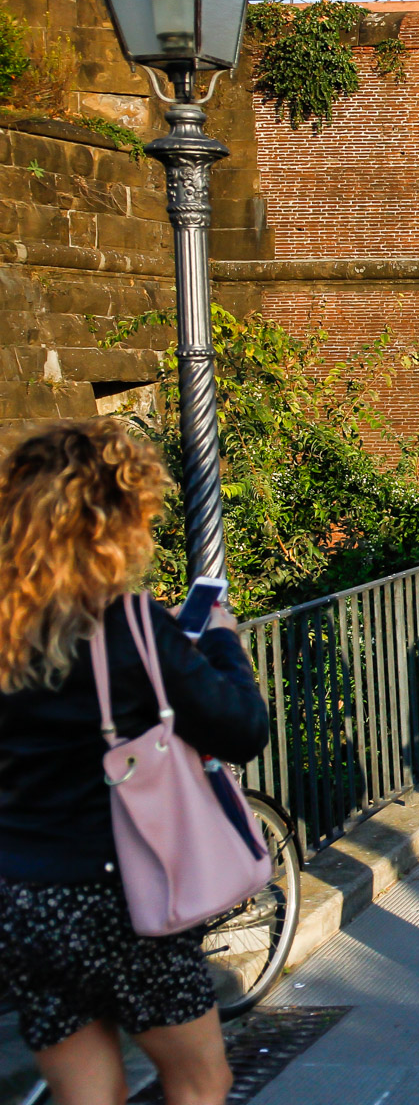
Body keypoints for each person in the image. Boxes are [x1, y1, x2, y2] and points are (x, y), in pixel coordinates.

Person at [0, 419, 269, 1105]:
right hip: (124, 900)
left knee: (86, 1096)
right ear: (117, 520)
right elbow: (241, 729)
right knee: (200, 1081)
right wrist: (219, 641)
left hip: (24, 899)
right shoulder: (126, 624)